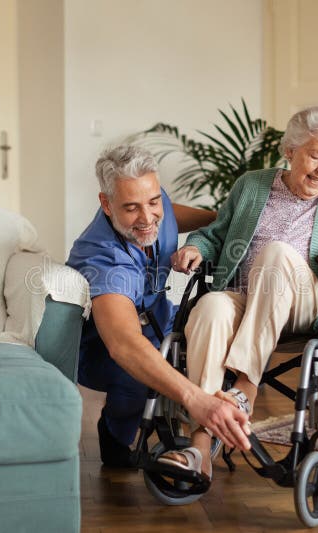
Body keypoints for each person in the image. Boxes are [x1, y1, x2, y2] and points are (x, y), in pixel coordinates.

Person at [160, 104, 318, 482]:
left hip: (307, 303)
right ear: (289, 152)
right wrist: (198, 249)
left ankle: (245, 387)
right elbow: (216, 234)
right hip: (244, 296)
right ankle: (200, 448)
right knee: (209, 308)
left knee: (276, 254)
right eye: (315, 156)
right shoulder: (252, 184)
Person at [66, 145, 253, 470]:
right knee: (136, 384)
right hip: (106, 348)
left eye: (153, 201)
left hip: (158, 318)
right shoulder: (103, 259)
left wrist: (224, 224)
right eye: (132, 208)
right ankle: (114, 436)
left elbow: (168, 211)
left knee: (219, 332)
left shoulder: (150, 200)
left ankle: (199, 428)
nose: (148, 217)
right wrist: (196, 400)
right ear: (106, 204)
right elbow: (124, 345)